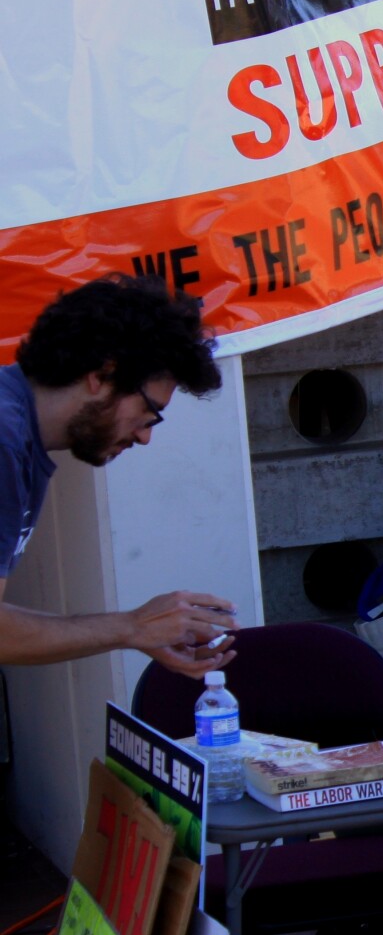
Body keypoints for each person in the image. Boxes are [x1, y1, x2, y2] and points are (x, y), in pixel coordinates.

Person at [0, 275, 236, 678]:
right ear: (103, 373)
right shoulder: (4, 435)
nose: (145, 437)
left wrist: (133, 630)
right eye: (149, 414)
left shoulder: (18, 431)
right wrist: (131, 627)